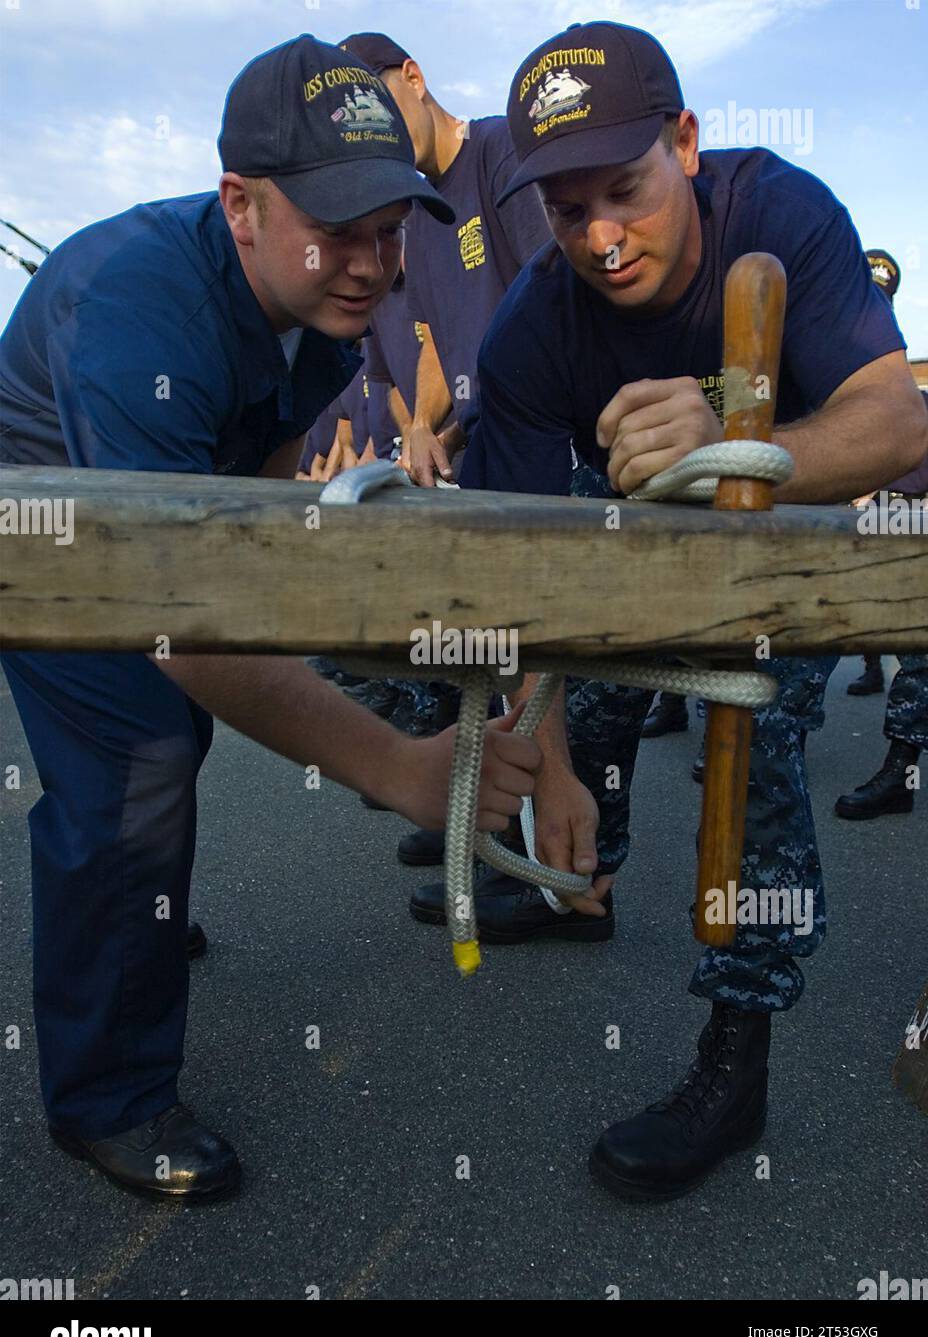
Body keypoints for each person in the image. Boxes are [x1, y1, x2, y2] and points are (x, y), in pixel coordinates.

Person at [0, 34, 540, 1204]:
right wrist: (396, 762)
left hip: (162, 512)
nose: (371, 265)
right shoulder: (136, 313)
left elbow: (263, 482)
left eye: (389, 229)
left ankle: (135, 921)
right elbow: (186, 621)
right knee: (133, 768)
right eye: (337, 229)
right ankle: (110, 1098)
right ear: (240, 204)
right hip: (45, 525)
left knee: (172, 745)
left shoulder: (315, 303)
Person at [427, 20, 927, 1200]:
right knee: (586, 708)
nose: (600, 239)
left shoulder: (780, 217)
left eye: (626, 192)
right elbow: (513, 565)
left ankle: (734, 1055)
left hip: (805, 528)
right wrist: (537, 753)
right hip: (635, 535)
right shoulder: (533, 329)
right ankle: (581, 883)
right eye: (565, 210)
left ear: (685, 143)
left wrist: (739, 449)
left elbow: (897, 420)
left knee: (750, 758)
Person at [337, 31, 553, 867]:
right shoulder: (420, 213)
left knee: (543, 658)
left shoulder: (499, 149)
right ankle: (484, 820)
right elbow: (433, 346)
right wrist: (430, 430)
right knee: (482, 652)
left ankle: (550, 870)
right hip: (483, 447)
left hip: (545, 442)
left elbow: (551, 296)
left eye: (376, 110)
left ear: (415, 79)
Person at [833, 251, 928, 819]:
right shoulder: (829, 341)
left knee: (918, 648)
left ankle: (901, 772)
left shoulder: (891, 364)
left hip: (909, 509)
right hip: (865, 507)